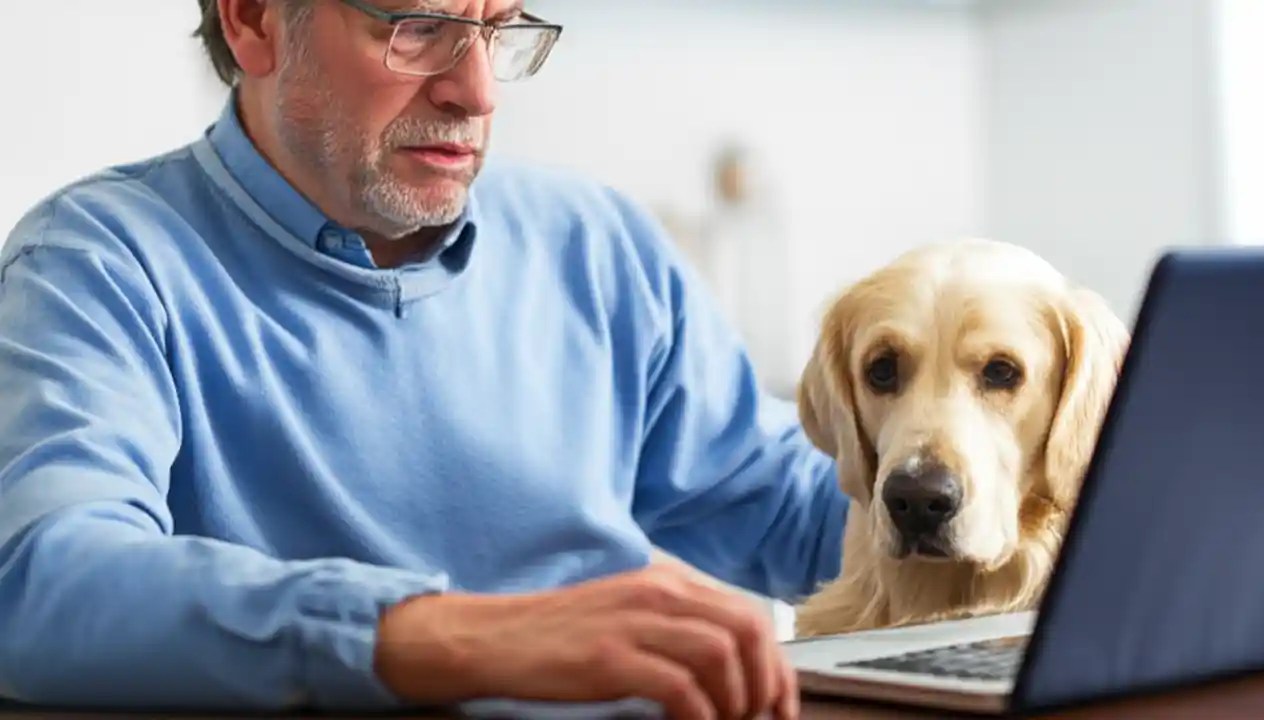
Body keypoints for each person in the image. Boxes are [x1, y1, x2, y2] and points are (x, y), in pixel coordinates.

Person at [0, 1, 849, 719]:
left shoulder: (594, 242)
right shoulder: (100, 261)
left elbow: (794, 512)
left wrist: (960, 480)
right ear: (254, 20)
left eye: (499, 28)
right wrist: (451, 635)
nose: (475, 91)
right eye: (417, 26)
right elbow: (43, 582)